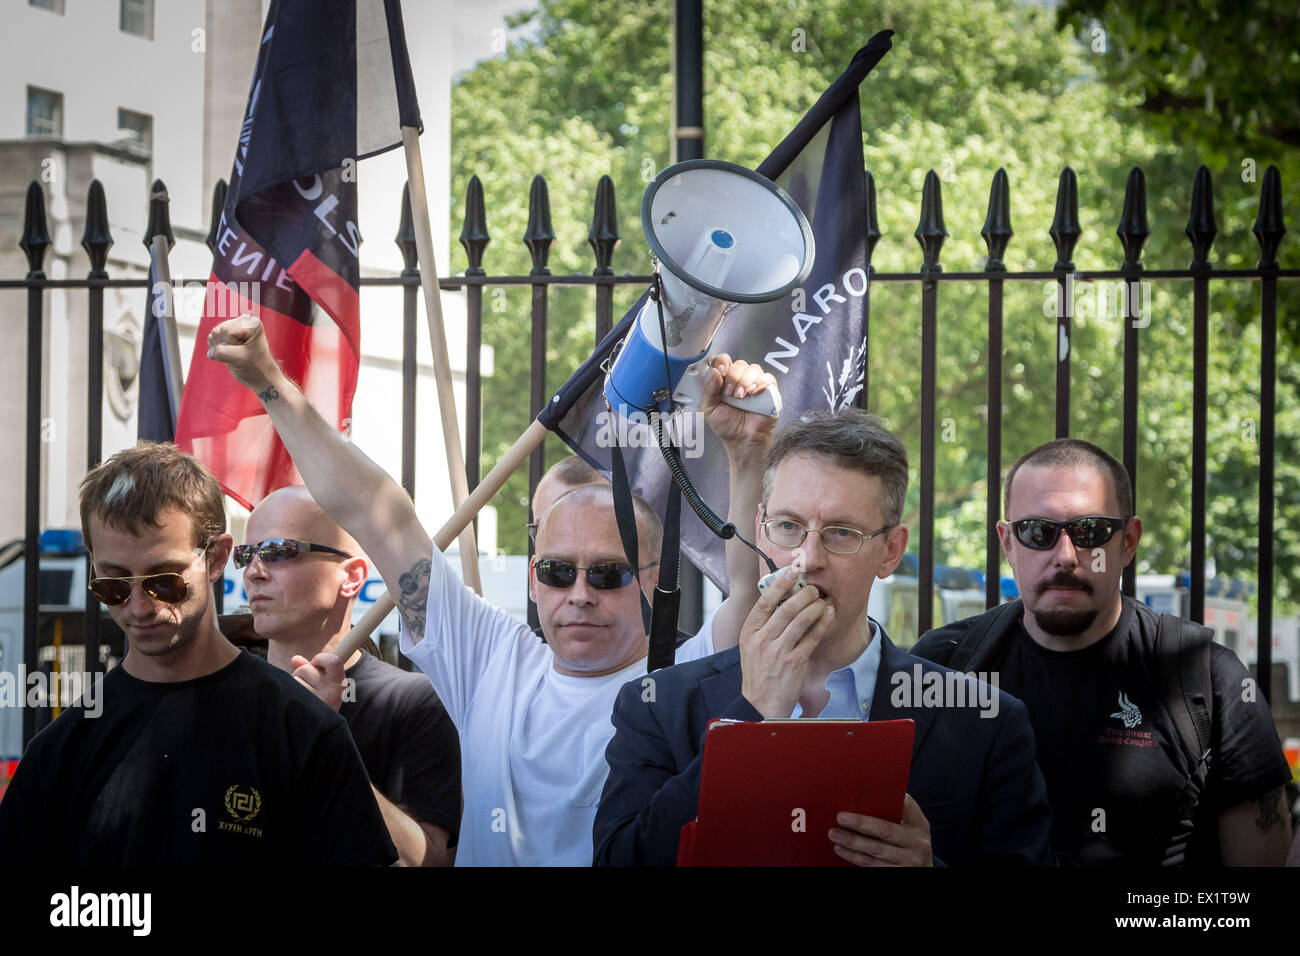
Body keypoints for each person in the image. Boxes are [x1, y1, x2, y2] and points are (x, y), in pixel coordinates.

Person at [206, 315, 764, 865]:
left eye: (607, 573)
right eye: (557, 572)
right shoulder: (493, 659)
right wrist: (267, 382)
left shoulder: (685, 678)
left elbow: (747, 587)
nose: (579, 594)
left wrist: (747, 454)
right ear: (533, 577)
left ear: (653, 580)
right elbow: (378, 515)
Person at [593, 410, 1054, 866]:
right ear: (761, 531)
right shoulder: (657, 706)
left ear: (891, 551)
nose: (807, 558)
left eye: (841, 533)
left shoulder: (984, 721)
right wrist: (750, 715)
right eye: (789, 526)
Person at [0, 443, 396, 866]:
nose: (137, 606)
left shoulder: (301, 729)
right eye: (112, 585)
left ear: (217, 558)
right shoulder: (62, 749)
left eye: (163, 580)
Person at [913, 438, 1294, 866]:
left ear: (1128, 541)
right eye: (1037, 532)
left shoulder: (1209, 678)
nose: (1065, 557)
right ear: (1007, 543)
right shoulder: (941, 667)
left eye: (1089, 532)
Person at [242, 485, 463, 866]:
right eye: (245, 555)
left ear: (352, 576)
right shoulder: (227, 692)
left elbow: (426, 862)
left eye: (278, 551)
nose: (254, 571)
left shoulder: (412, 701)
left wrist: (326, 735)